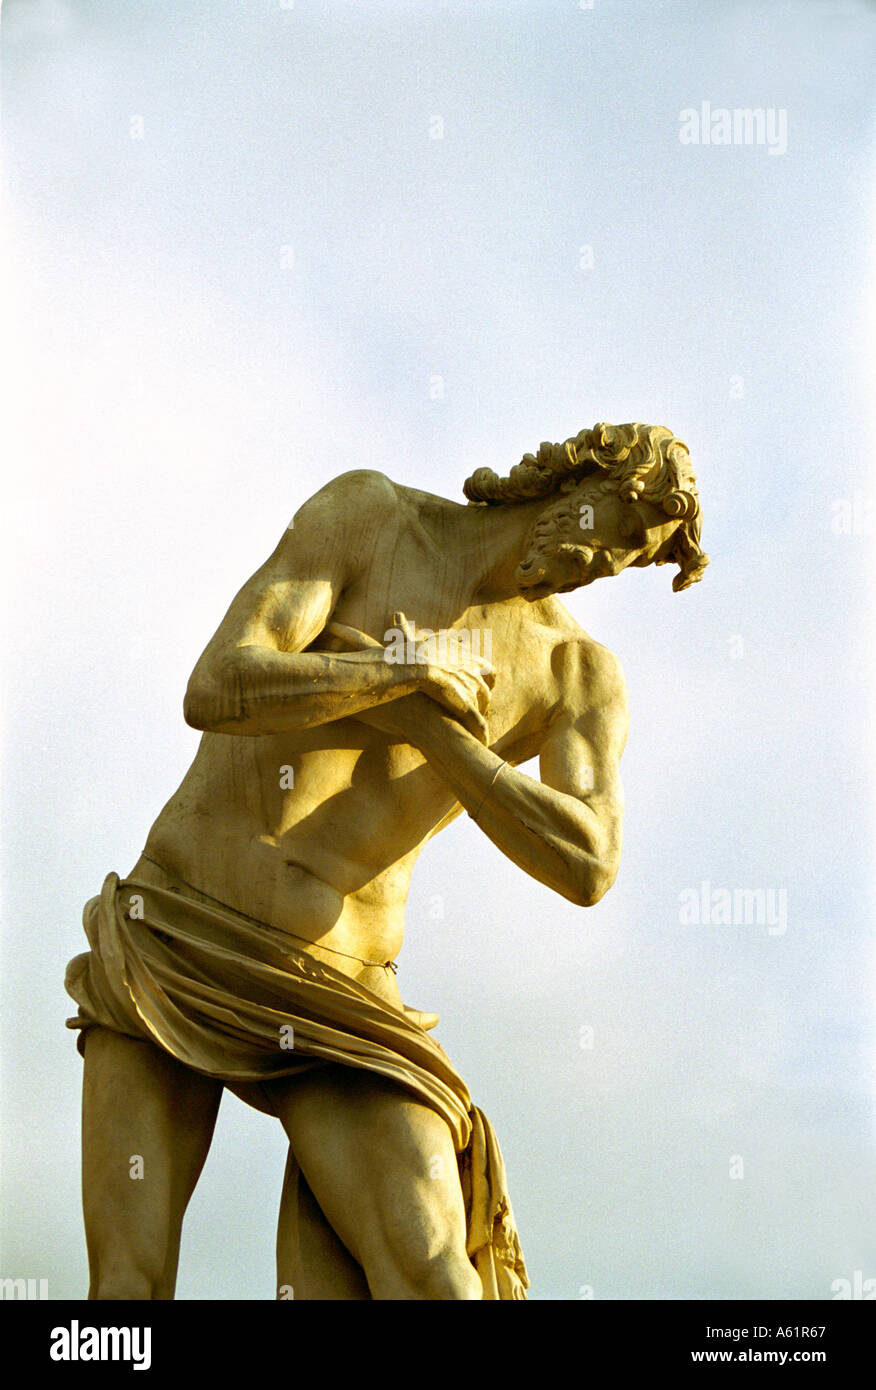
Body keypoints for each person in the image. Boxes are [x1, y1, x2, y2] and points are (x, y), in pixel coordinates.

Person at [66, 420, 707, 1300]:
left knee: (438, 1278)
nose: (609, 565)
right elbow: (216, 683)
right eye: (623, 531)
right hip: (173, 930)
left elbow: (590, 863)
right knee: (124, 1299)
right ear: (580, 479)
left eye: (634, 562)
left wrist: (434, 731)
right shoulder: (370, 518)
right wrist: (394, 675)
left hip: (342, 990)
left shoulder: (572, 672)